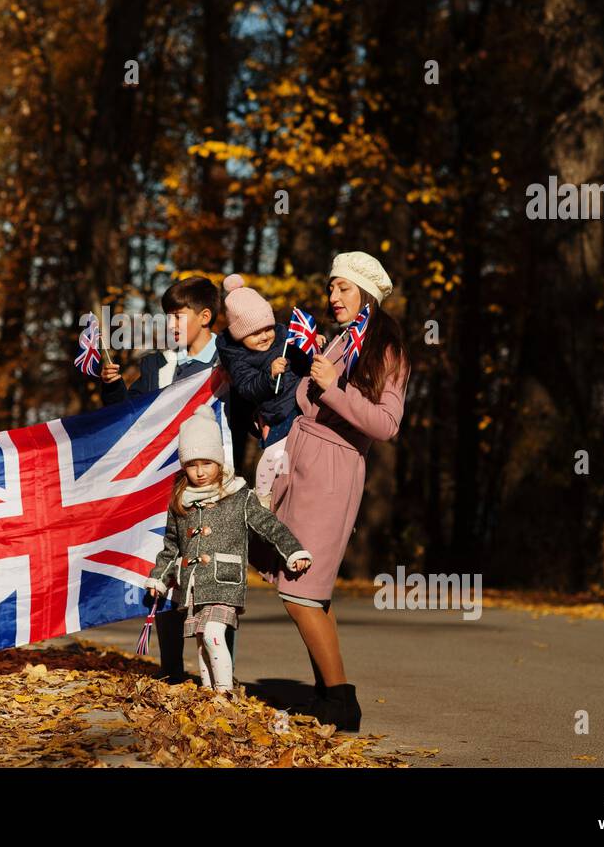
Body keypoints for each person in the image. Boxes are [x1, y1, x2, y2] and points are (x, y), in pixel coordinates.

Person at [261, 251, 409, 732]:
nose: (333, 296)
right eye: (330, 288)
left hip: (333, 471)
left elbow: (385, 424)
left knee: (299, 587)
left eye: (342, 288)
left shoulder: (387, 350)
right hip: (302, 463)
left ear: (367, 292)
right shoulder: (342, 340)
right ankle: (327, 692)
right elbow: (312, 398)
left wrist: (332, 387)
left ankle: (343, 702)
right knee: (312, 592)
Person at [98, 276, 236, 683]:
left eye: (179, 316)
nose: (171, 324)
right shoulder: (157, 364)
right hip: (166, 488)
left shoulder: (228, 361)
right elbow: (134, 421)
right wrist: (113, 390)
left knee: (216, 576)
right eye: (168, 316)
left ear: (205, 317)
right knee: (172, 571)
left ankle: (223, 675)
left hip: (217, 486)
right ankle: (173, 671)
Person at [144, 406, 311, 698]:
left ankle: (224, 695)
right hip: (194, 584)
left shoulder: (238, 496)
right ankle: (208, 695)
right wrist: (159, 577)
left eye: (206, 463)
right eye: (192, 464)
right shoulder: (181, 501)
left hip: (225, 582)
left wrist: (293, 552)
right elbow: (171, 546)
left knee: (212, 634)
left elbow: (270, 526)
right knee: (200, 640)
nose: (199, 472)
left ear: (219, 461)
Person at [215, 274, 313, 508]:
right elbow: (247, 388)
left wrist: (313, 343)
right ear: (240, 335)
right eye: (255, 333)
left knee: (305, 461)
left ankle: (308, 500)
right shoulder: (238, 357)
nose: (264, 336)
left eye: (268, 328)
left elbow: (303, 356)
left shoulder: (283, 337)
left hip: (302, 406)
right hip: (276, 415)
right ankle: (263, 496)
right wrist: (268, 376)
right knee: (275, 458)